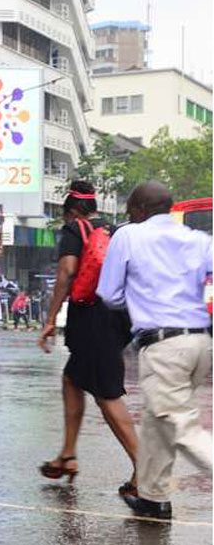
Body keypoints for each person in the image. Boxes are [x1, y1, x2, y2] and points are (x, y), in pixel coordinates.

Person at [97, 182, 212, 520]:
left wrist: (140, 296)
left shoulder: (128, 236)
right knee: (156, 422)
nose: (129, 215)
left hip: (163, 345)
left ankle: (153, 496)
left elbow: (109, 294)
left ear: (141, 210)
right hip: (200, 343)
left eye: (130, 209)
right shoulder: (197, 239)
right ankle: (153, 497)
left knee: (178, 424)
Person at [35, 181, 139, 493]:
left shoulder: (74, 229)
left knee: (107, 394)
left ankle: (144, 467)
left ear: (72, 212)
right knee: (72, 379)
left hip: (93, 318)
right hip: (118, 316)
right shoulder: (116, 229)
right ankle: (67, 454)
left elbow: (67, 271)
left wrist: (51, 318)